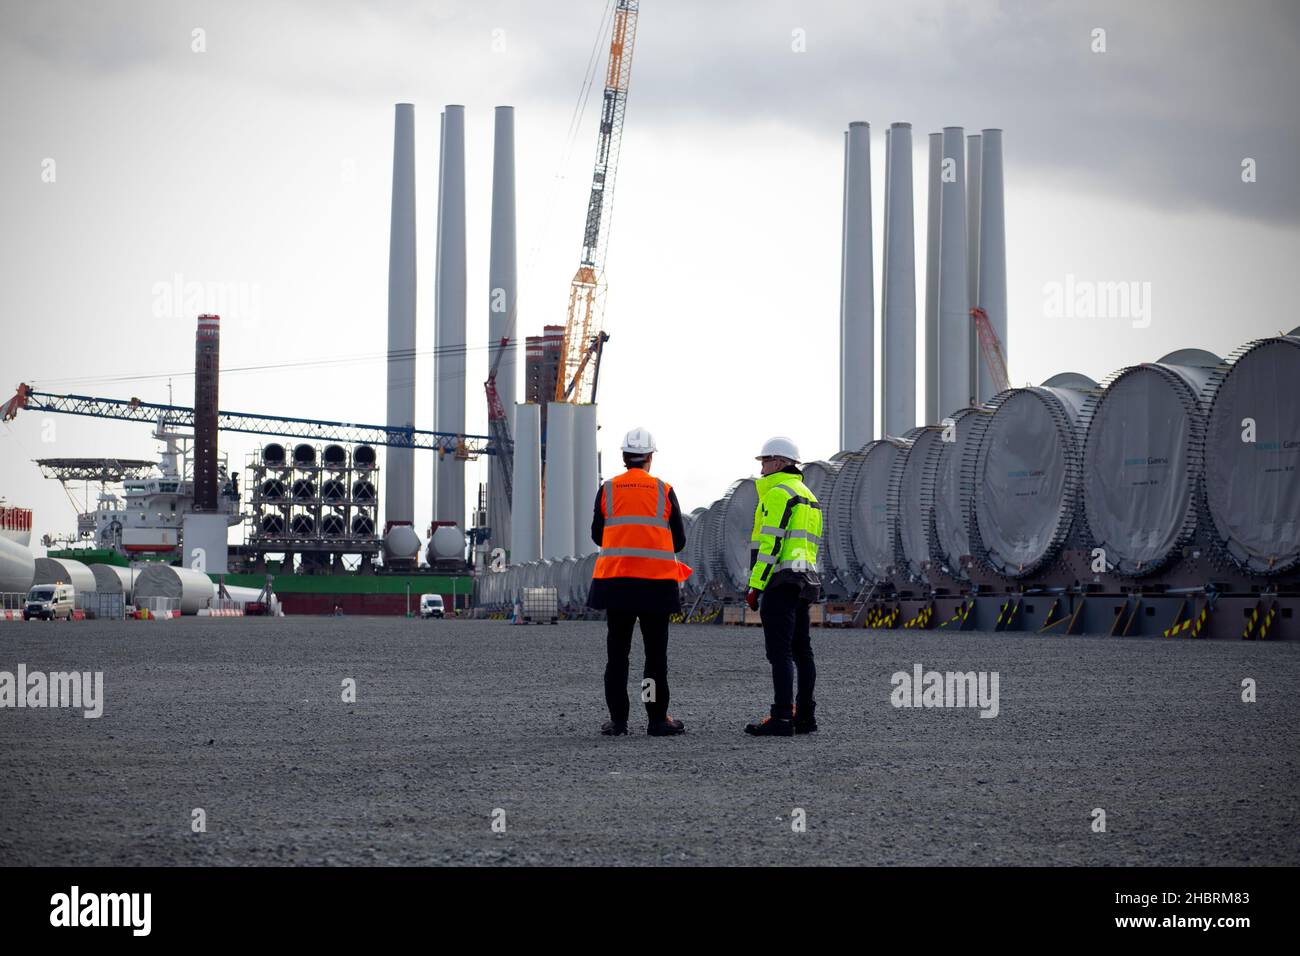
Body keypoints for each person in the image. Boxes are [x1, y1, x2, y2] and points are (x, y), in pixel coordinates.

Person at [587, 427, 692, 737]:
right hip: (656, 587)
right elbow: (679, 542)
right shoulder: (664, 490)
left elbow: (597, 534)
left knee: (618, 656)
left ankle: (619, 721)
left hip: (617, 584)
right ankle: (656, 719)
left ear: (623, 457)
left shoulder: (607, 489)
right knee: (654, 658)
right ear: (649, 457)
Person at [743, 436, 823, 737]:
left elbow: (770, 544)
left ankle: (781, 718)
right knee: (803, 651)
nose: (761, 467)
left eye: (764, 461)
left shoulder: (777, 493)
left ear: (779, 462)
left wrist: (755, 585)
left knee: (780, 653)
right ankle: (805, 717)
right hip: (804, 580)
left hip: (780, 580)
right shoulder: (809, 496)